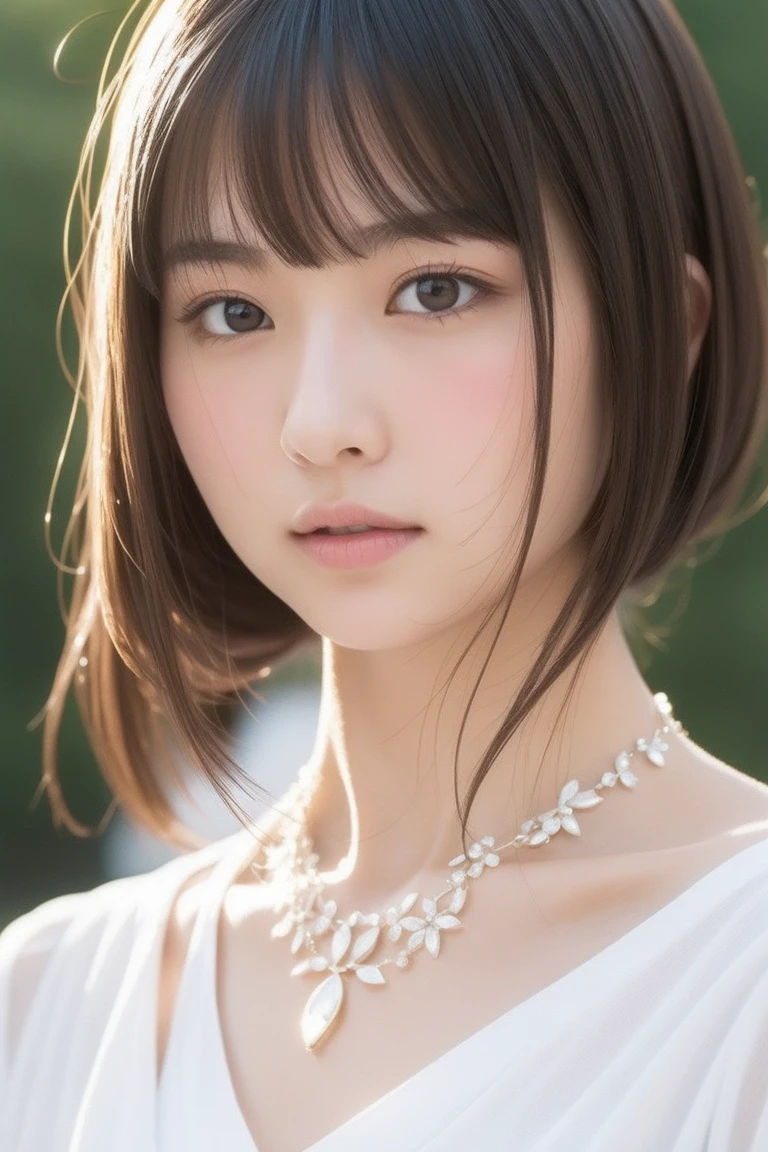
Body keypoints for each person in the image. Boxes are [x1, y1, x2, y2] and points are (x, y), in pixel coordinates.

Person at [2, 0, 768, 1147]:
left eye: (436, 290)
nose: (319, 424)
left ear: (666, 323)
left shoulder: (739, 969)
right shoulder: (43, 1007)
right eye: (233, 309)